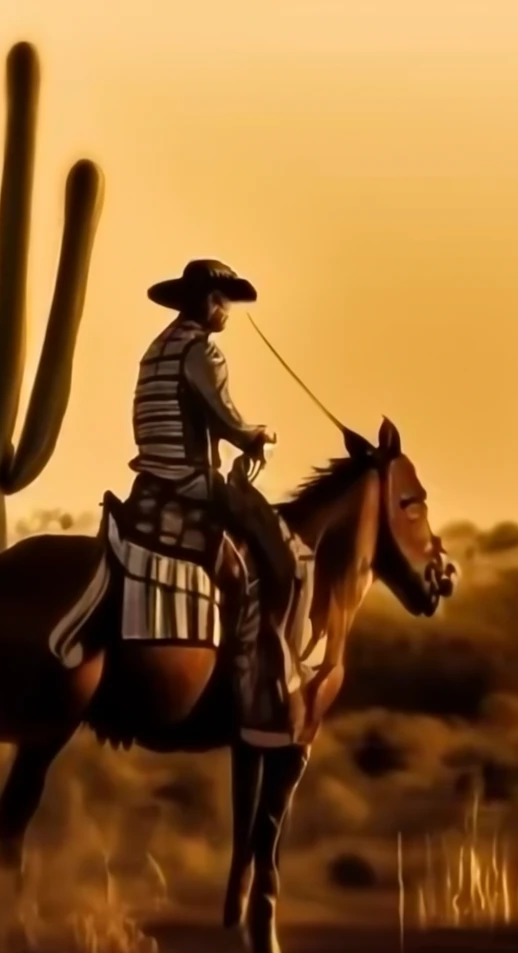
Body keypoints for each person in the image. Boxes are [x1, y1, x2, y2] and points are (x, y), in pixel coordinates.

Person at [126, 258, 305, 742]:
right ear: (209, 301)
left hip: (150, 480)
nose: (227, 312)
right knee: (280, 558)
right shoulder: (202, 351)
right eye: (225, 303)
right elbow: (224, 418)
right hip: (190, 482)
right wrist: (256, 436)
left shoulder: (156, 349)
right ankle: (256, 674)